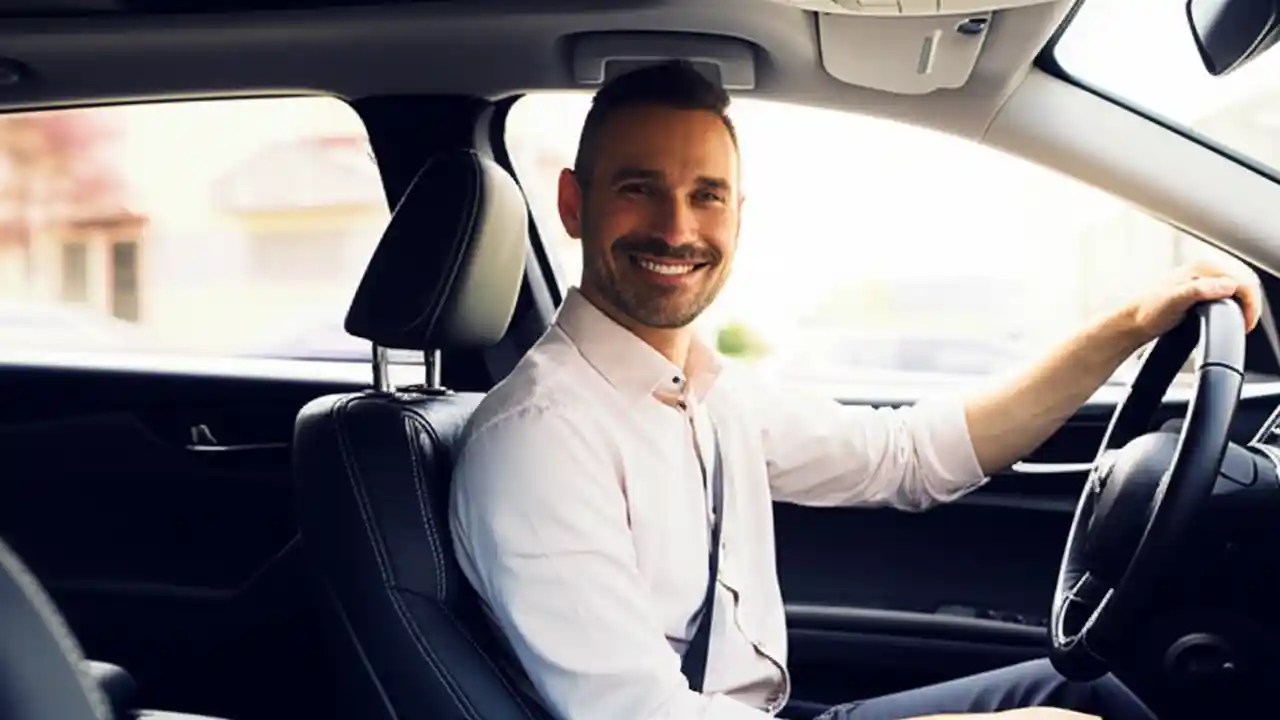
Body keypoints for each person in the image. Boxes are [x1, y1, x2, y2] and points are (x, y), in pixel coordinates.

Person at [448, 60, 1262, 720]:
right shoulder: (540, 437)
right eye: (638, 188)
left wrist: (1131, 322)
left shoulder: (704, 391)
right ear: (572, 205)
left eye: (706, 195)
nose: (677, 228)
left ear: (736, 216)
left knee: (1087, 694)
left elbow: (910, 457)